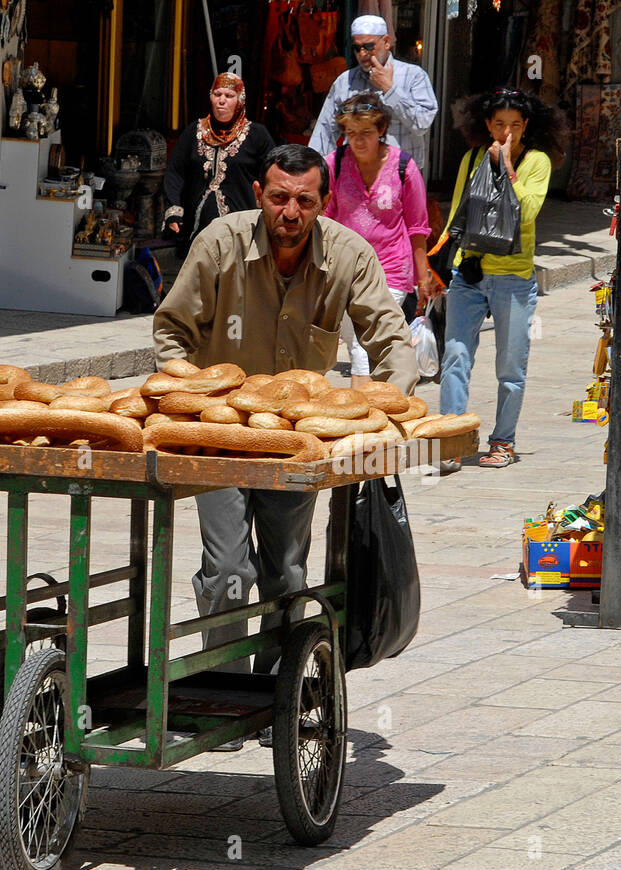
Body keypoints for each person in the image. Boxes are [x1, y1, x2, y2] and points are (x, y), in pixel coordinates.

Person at [152, 145, 417, 688]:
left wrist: (382, 414)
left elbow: (393, 341)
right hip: (220, 436)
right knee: (227, 567)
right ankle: (224, 684)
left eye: (304, 201)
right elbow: (171, 330)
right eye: (278, 198)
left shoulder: (348, 256)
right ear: (259, 195)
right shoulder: (219, 244)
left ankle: (279, 692)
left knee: (286, 570)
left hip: (297, 440)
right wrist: (192, 395)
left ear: (324, 203)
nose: (289, 213)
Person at [436, 89, 565, 472]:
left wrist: (508, 166)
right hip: (470, 272)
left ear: (526, 126)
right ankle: (451, 441)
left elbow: (527, 212)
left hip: (513, 276)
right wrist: (447, 263)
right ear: (486, 124)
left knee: (510, 368)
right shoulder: (472, 157)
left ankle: (503, 441)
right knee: (456, 357)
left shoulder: (537, 161)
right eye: (498, 124)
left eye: (514, 125)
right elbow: (459, 211)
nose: (505, 132)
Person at [322, 92, 438, 387]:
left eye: (366, 133)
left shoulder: (403, 167)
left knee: (363, 344)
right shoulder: (334, 164)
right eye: (351, 133)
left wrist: (422, 276)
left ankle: (360, 415)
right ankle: (383, 407)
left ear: (381, 130)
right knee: (356, 342)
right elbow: (324, 217)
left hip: (391, 269)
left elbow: (417, 226)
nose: (358, 141)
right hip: (346, 268)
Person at [308, 15, 439, 178]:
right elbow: (325, 131)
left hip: (401, 176)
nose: (362, 54)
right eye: (357, 48)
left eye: (368, 46)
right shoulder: (345, 82)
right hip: (355, 176)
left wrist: (389, 88)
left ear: (386, 42)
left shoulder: (414, 76)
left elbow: (422, 124)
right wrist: (315, 175)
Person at [162, 72, 275, 256]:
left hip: (242, 231)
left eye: (229, 96)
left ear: (240, 100)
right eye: (217, 94)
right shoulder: (194, 131)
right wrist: (174, 209)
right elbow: (175, 172)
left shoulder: (257, 135)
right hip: (198, 229)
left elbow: (273, 176)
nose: (222, 101)